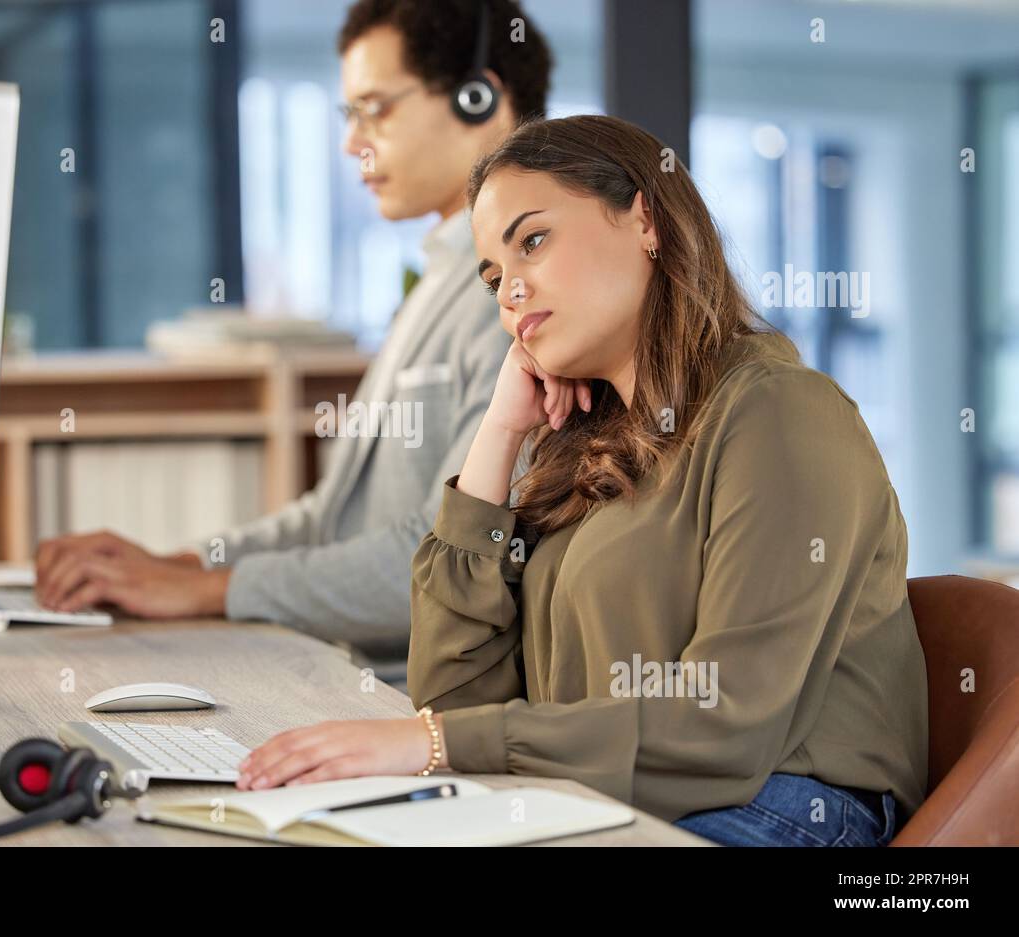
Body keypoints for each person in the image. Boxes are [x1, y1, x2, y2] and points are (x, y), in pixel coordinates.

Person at [231, 114, 930, 848]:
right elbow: (456, 699)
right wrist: (500, 432)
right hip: (614, 799)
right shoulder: (586, 455)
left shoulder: (780, 412)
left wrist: (432, 744)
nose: (510, 291)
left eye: (533, 241)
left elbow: (726, 723)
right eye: (492, 278)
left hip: (784, 804)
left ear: (645, 221)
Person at [33, 0, 553, 670]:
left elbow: (442, 558)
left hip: (416, 691)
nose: (352, 143)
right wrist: (184, 565)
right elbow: (331, 520)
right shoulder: (440, 281)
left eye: (376, 110)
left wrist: (209, 590)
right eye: (349, 115)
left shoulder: (513, 299)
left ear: (479, 99)